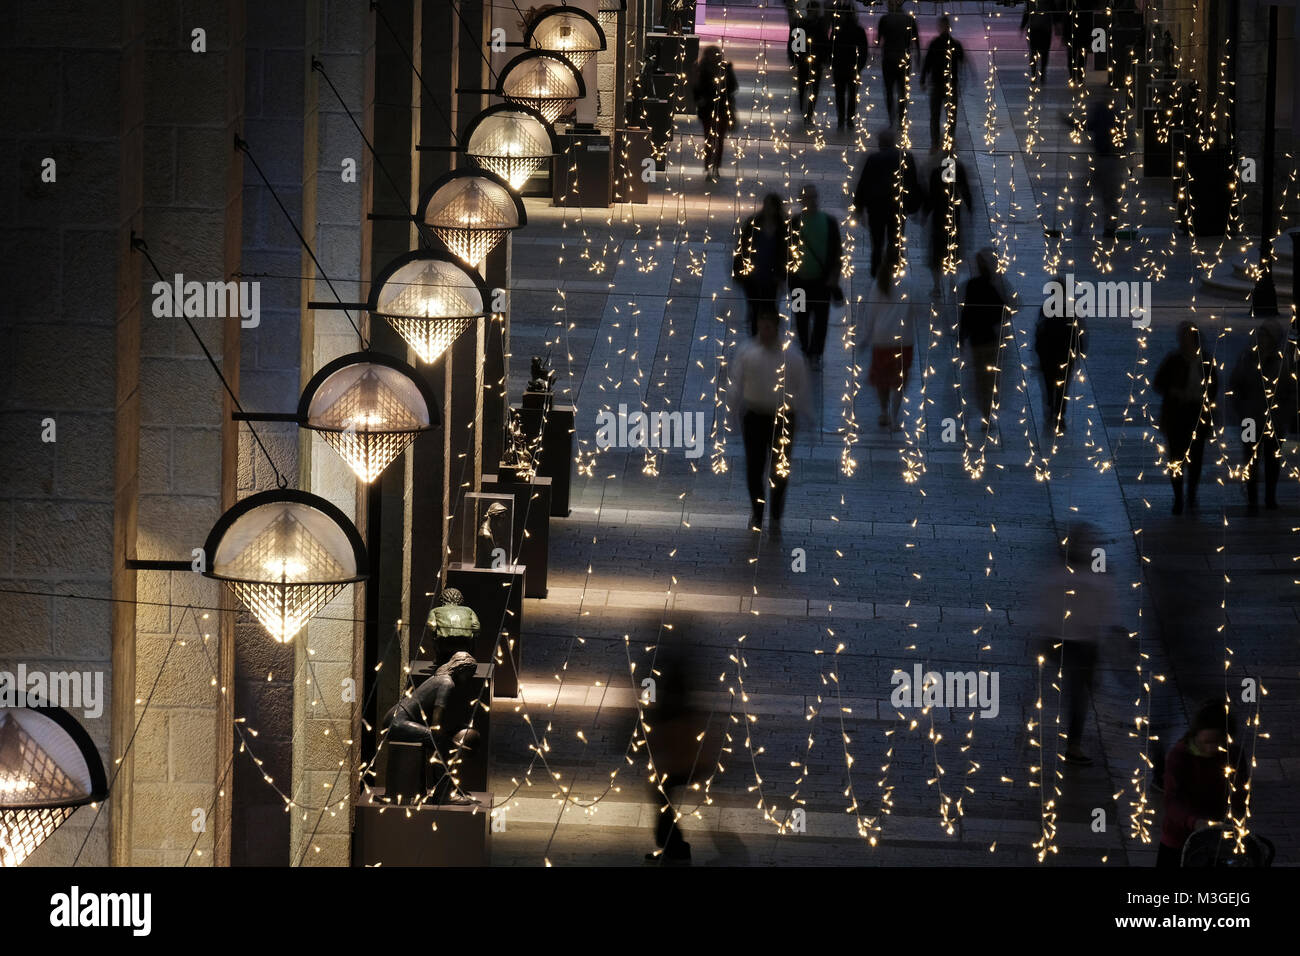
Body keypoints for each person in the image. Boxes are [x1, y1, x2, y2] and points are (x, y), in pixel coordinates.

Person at [728, 309, 813, 532]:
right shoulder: (747, 352)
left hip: (783, 419)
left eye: (768, 326)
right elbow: (736, 384)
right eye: (761, 325)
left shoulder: (791, 355)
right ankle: (757, 514)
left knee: (779, 471)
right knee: (755, 469)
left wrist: (806, 412)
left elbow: (801, 386)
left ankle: (775, 517)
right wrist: (732, 410)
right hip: (754, 416)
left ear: (776, 327)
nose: (764, 331)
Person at [1157, 700, 1251, 868]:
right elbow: (1172, 800)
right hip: (1179, 837)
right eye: (1206, 742)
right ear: (1196, 736)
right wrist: (1194, 821)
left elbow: (1239, 793)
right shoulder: (1180, 756)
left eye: (1217, 742)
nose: (1211, 748)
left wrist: (1236, 818)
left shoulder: (1234, 755)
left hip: (1216, 838)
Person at [1229, 320, 1295, 512]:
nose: (1263, 339)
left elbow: (1290, 390)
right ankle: (1252, 499)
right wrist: (1242, 409)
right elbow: (1235, 386)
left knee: (1272, 461)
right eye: (1261, 335)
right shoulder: (1247, 358)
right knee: (1251, 459)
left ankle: (1270, 498)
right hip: (1250, 420)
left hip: (1275, 421)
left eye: (1267, 336)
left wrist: (1284, 414)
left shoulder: (1282, 362)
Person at [1153, 321, 1218, 515]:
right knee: (1176, 458)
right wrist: (1173, 391)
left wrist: (1204, 398)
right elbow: (1158, 383)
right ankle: (1179, 497)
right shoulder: (1173, 360)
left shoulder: (1206, 360)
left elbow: (1214, 386)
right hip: (1176, 415)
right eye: (1183, 338)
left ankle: (1191, 494)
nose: (1185, 342)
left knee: (1196, 458)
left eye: (1189, 338)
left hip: (1198, 415)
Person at [958, 248, 1018, 433]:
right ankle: (986, 416)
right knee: (991, 380)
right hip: (991, 340)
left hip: (977, 340)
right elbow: (1008, 309)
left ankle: (979, 416)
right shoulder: (995, 286)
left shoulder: (972, 285)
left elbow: (966, 313)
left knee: (978, 380)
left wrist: (962, 336)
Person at [858, 248, 916, 430]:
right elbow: (920, 307)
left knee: (882, 379)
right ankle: (894, 417)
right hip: (903, 339)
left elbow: (870, 312)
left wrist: (866, 336)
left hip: (881, 338)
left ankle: (883, 411)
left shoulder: (878, 284)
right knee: (899, 381)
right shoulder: (908, 283)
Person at [788, 183, 843, 368]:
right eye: (807, 198)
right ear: (801, 200)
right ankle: (805, 349)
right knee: (800, 318)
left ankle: (816, 353)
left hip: (822, 282)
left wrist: (834, 275)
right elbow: (786, 252)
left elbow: (836, 251)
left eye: (813, 197)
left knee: (821, 320)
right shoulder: (794, 223)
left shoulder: (829, 221)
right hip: (798, 282)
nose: (810, 201)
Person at [852, 128, 920, 279]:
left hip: (876, 210)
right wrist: (914, 206)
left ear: (880, 143)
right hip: (898, 209)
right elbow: (913, 183)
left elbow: (863, 184)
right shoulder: (906, 157)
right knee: (895, 241)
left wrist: (858, 208)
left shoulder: (873, 159)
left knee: (877, 244)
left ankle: (876, 274)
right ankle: (895, 271)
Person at [1033, 274, 1088, 435]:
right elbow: (1078, 332)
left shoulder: (1046, 307)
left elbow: (1039, 331)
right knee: (1063, 387)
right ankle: (1059, 414)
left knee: (1050, 384)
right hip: (1065, 354)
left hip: (1048, 354)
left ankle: (1052, 408)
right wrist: (1079, 350)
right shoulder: (1072, 309)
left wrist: (1038, 350)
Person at [733, 193, 791, 335]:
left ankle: (770, 335)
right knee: (754, 309)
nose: (767, 209)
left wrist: (783, 275)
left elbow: (787, 253)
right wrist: (739, 271)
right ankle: (756, 337)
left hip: (772, 278)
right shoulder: (753, 223)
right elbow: (742, 247)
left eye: (770, 206)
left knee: (770, 308)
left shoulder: (783, 227)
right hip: (752, 277)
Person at [922, 149, 972, 296]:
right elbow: (966, 192)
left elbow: (931, 197)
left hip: (939, 218)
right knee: (953, 250)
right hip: (954, 217)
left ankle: (937, 286)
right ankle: (951, 281)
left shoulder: (936, 172)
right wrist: (970, 208)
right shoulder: (959, 169)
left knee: (937, 254)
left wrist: (925, 213)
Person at [1082, 94, 1126, 238]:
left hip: (1109, 160)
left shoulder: (1109, 113)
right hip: (1103, 159)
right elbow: (1089, 125)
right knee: (1107, 195)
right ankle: (1107, 225)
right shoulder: (1106, 111)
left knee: (1108, 195)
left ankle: (1108, 226)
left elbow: (1088, 125)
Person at [920, 15, 965, 151]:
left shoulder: (950, 44)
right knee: (942, 115)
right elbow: (927, 63)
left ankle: (942, 142)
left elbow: (927, 63)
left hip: (945, 84)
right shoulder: (950, 44)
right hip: (943, 84)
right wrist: (923, 78)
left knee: (944, 116)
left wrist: (923, 79)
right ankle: (940, 142)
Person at [694, 45, 737, 184]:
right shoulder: (702, 70)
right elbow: (697, 89)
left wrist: (723, 88)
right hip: (708, 110)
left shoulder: (725, 69)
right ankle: (708, 166)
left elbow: (734, 86)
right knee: (709, 139)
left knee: (719, 140)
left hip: (723, 109)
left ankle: (716, 166)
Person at [875, 0, 920, 129]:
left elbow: (878, 40)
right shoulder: (909, 19)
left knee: (889, 91)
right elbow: (916, 40)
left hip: (889, 59)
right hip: (903, 59)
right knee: (902, 91)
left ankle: (891, 119)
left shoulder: (884, 19)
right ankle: (901, 119)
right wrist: (918, 57)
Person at [828, 6, 870, 130]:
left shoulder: (837, 30)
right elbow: (864, 51)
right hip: (853, 68)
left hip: (839, 68)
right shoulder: (859, 30)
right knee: (852, 96)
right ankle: (850, 120)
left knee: (839, 95)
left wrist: (832, 63)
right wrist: (859, 67)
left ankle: (841, 119)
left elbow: (831, 47)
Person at [789, 1, 829, 126]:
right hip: (806, 62)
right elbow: (795, 44)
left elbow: (824, 44)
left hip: (812, 62)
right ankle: (805, 112)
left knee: (811, 90)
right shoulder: (806, 25)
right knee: (804, 88)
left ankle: (808, 113)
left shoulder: (812, 25)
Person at [1021, 1, 1054, 85]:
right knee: (1042, 53)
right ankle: (1040, 74)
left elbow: (1026, 12)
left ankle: (1035, 75)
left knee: (1035, 52)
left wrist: (1022, 25)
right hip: (1042, 28)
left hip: (1036, 28)